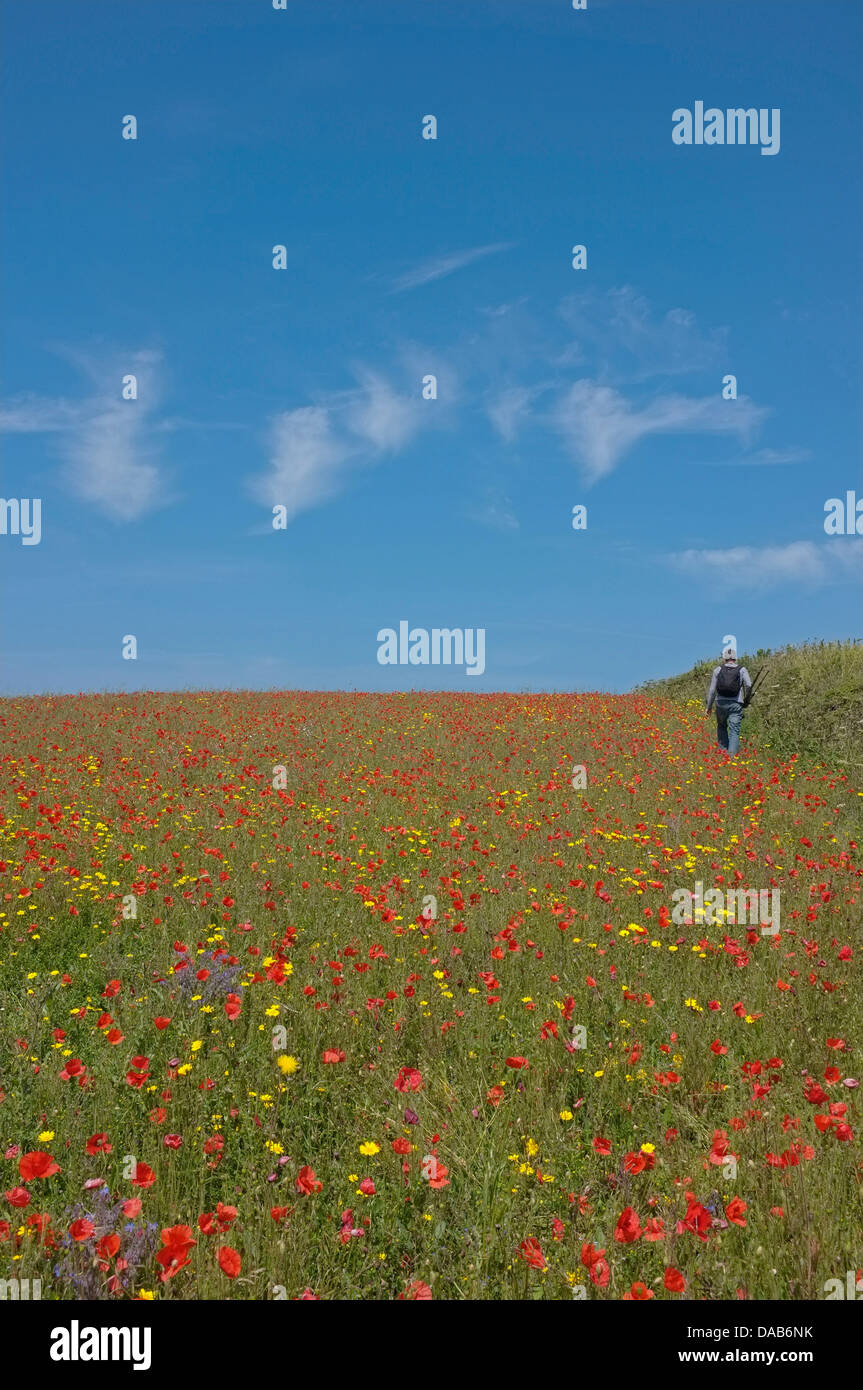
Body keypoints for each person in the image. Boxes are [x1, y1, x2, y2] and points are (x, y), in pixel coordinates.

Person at [705, 643, 752, 756]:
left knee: (721, 726)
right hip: (736, 703)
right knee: (734, 731)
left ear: (724, 658)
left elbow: (712, 691)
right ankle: (731, 759)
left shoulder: (718, 670)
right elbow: (749, 684)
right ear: (735, 658)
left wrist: (709, 707)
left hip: (720, 703)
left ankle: (723, 754)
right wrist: (747, 698)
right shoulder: (742, 669)